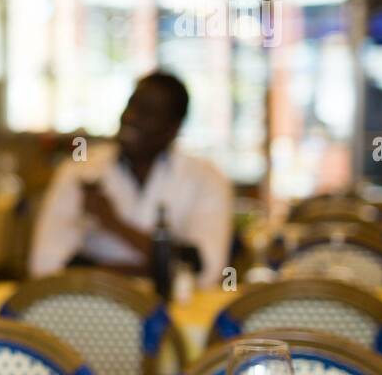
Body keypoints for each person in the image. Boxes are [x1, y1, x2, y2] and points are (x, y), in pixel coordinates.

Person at [28, 71, 232, 288]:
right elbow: (45, 266)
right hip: (91, 310)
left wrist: (113, 223)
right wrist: (159, 269)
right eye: (130, 106)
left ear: (174, 128)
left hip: (173, 316)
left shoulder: (206, 178)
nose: (130, 118)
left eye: (148, 112)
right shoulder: (80, 171)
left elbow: (207, 270)